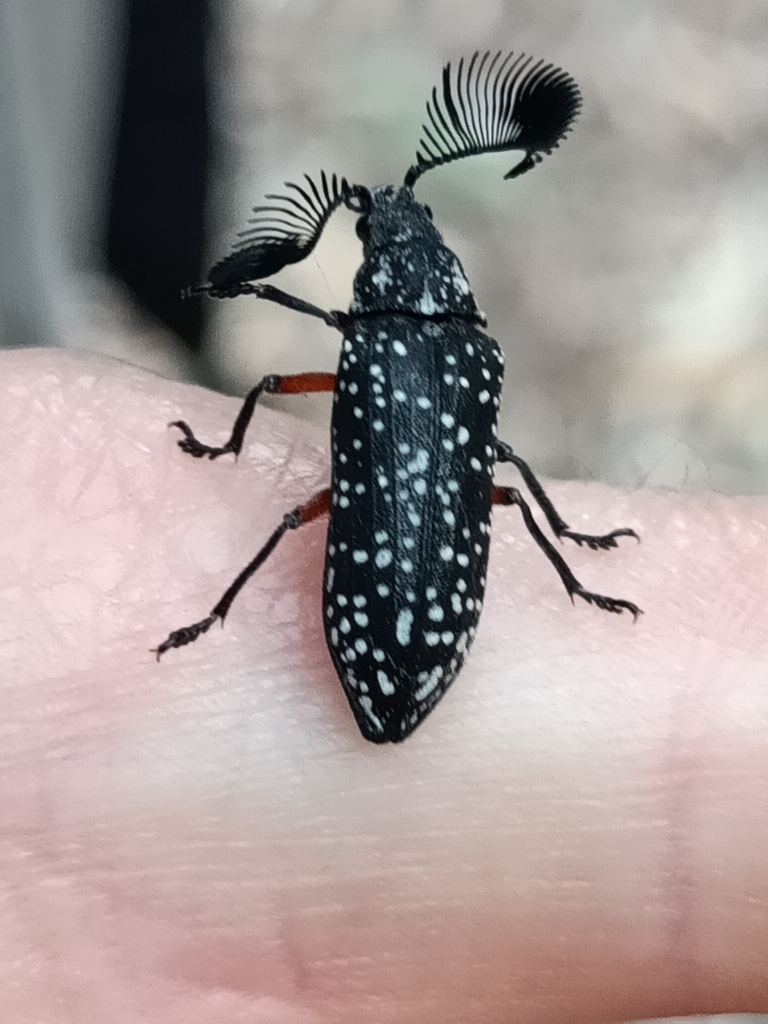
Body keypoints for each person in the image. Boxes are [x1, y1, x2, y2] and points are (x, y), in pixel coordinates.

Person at [2, 347, 766, 1021]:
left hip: (390, 595)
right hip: (423, 597)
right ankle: (565, 555)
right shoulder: (469, 359)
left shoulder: (382, 352)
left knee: (309, 488)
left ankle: (214, 616)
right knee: (505, 486)